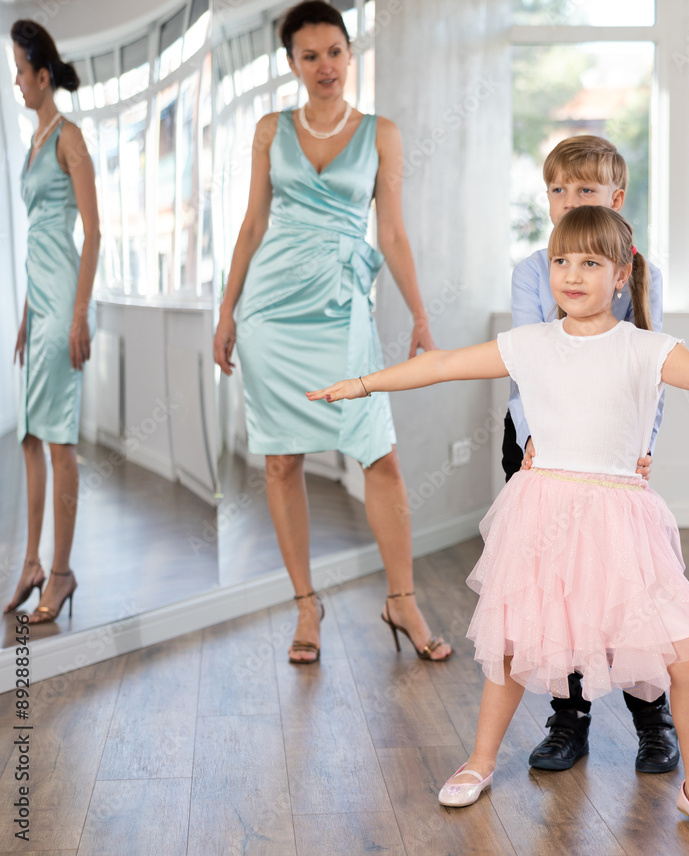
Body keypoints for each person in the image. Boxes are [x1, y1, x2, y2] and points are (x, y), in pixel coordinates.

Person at [307, 206, 689, 840]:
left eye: (589, 262)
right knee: (516, 649)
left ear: (622, 272)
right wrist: (362, 384)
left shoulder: (645, 348)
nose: (571, 276)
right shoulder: (528, 344)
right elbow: (440, 365)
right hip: (544, 514)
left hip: (622, 524)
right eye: (560, 261)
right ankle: (478, 761)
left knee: (686, 655)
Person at [212, 1, 451, 665]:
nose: (325, 66)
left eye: (335, 52)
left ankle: (401, 599)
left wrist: (422, 314)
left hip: (343, 307)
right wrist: (228, 311)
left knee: (379, 454)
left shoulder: (382, 133)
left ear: (351, 54)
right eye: (310, 55)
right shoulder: (269, 129)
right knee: (283, 458)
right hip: (271, 310)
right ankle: (305, 605)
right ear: (291, 64)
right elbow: (252, 226)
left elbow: (393, 233)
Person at [504, 134, 676, 775]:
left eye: (584, 190)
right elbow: (524, 364)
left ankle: (652, 721)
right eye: (556, 190)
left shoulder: (640, 274)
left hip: (611, 453)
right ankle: (567, 719)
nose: (567, 200)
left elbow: (652, 369)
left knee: (624, 587)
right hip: (539, 446)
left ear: (617, 199)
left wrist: (644, 445)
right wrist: (533, 441)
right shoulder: (532, 271)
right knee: (556, 589)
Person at [6, 20, 99, 624]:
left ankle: (61, 574)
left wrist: (78, 314)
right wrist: (25, 316)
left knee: (59, 442)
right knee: (31, 438)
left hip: (64, 300)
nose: (15, 80)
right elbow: (36, 238)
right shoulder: (34, 141)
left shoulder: (69, 138)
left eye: (20, 70)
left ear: (44, 76)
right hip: (38, 304)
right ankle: (32, 563)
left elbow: (93, 234)